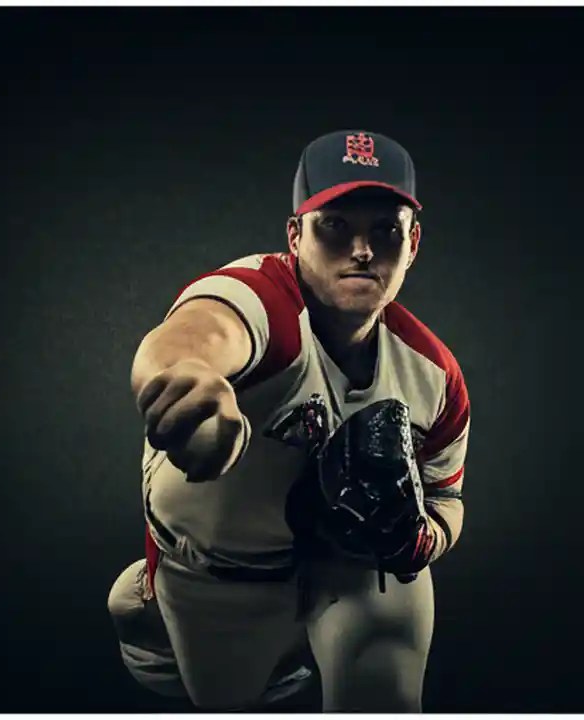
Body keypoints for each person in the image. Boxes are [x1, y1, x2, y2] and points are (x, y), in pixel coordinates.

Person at [108, 130, 469, 711]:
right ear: (295, 237)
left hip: (345, 570)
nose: (362, 249)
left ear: (414, 243)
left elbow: (447, 500)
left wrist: (416, 539)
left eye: (385, 229)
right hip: (220, 578)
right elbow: (193, 335)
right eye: (334, 226)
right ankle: (151, 616)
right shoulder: (263, 298)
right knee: (222, 692)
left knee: (393, 628)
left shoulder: (432, 373)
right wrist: (189, 380)